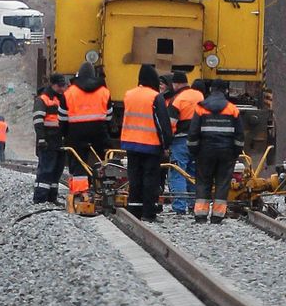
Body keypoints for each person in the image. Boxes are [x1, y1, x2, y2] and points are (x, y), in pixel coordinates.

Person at [120, 62, 174, 222]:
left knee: (135, 178)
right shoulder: (154, 97)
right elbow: (162, 123)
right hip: (150, 145)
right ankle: (148, 213)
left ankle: (134, 210)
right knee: (150, 180)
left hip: (130, 144)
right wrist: (166, 144)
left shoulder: (129, 94)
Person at [190, 81, 242, 223]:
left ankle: (201, 215)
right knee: (223, 182)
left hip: (204, 152)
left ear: (211, 89)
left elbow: (193, 132)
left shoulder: (200, 108)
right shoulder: (232, 109)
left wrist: (194, 151)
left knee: (203, 182)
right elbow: (239, 136)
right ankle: (217, 216)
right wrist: (235, 153)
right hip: (226, 152)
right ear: (226, 91)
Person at [62, 61, 112, 186]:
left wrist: (65, 135)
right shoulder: (104, 91)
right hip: (99, 131)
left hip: (76, 132)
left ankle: (80, 194)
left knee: (78, 163)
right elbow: (109, 116)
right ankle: (104, 189)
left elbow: (62, 118)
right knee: (103, 160)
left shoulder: (69, 92)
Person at [167, 69, 205, 216]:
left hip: (181, 140)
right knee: (193, 172)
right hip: (198, 140)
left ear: (175, 84)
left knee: (178, 172)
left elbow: (171, 124)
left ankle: (180, 206)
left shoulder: (177, 99)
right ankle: (194, 204)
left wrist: (166, 142)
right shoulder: (199, 95)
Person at [32, 76, 66, 205]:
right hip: (47, 140)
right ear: (53, 85)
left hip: (58, 140)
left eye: (63, 86)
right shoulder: (43, 99)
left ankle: (52, 198)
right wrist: (41, 138)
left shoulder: (60, 99)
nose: (62, 89)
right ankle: (40, 198)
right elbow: (38, 120)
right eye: (59, 86)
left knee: (57, 171)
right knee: (46, 170)